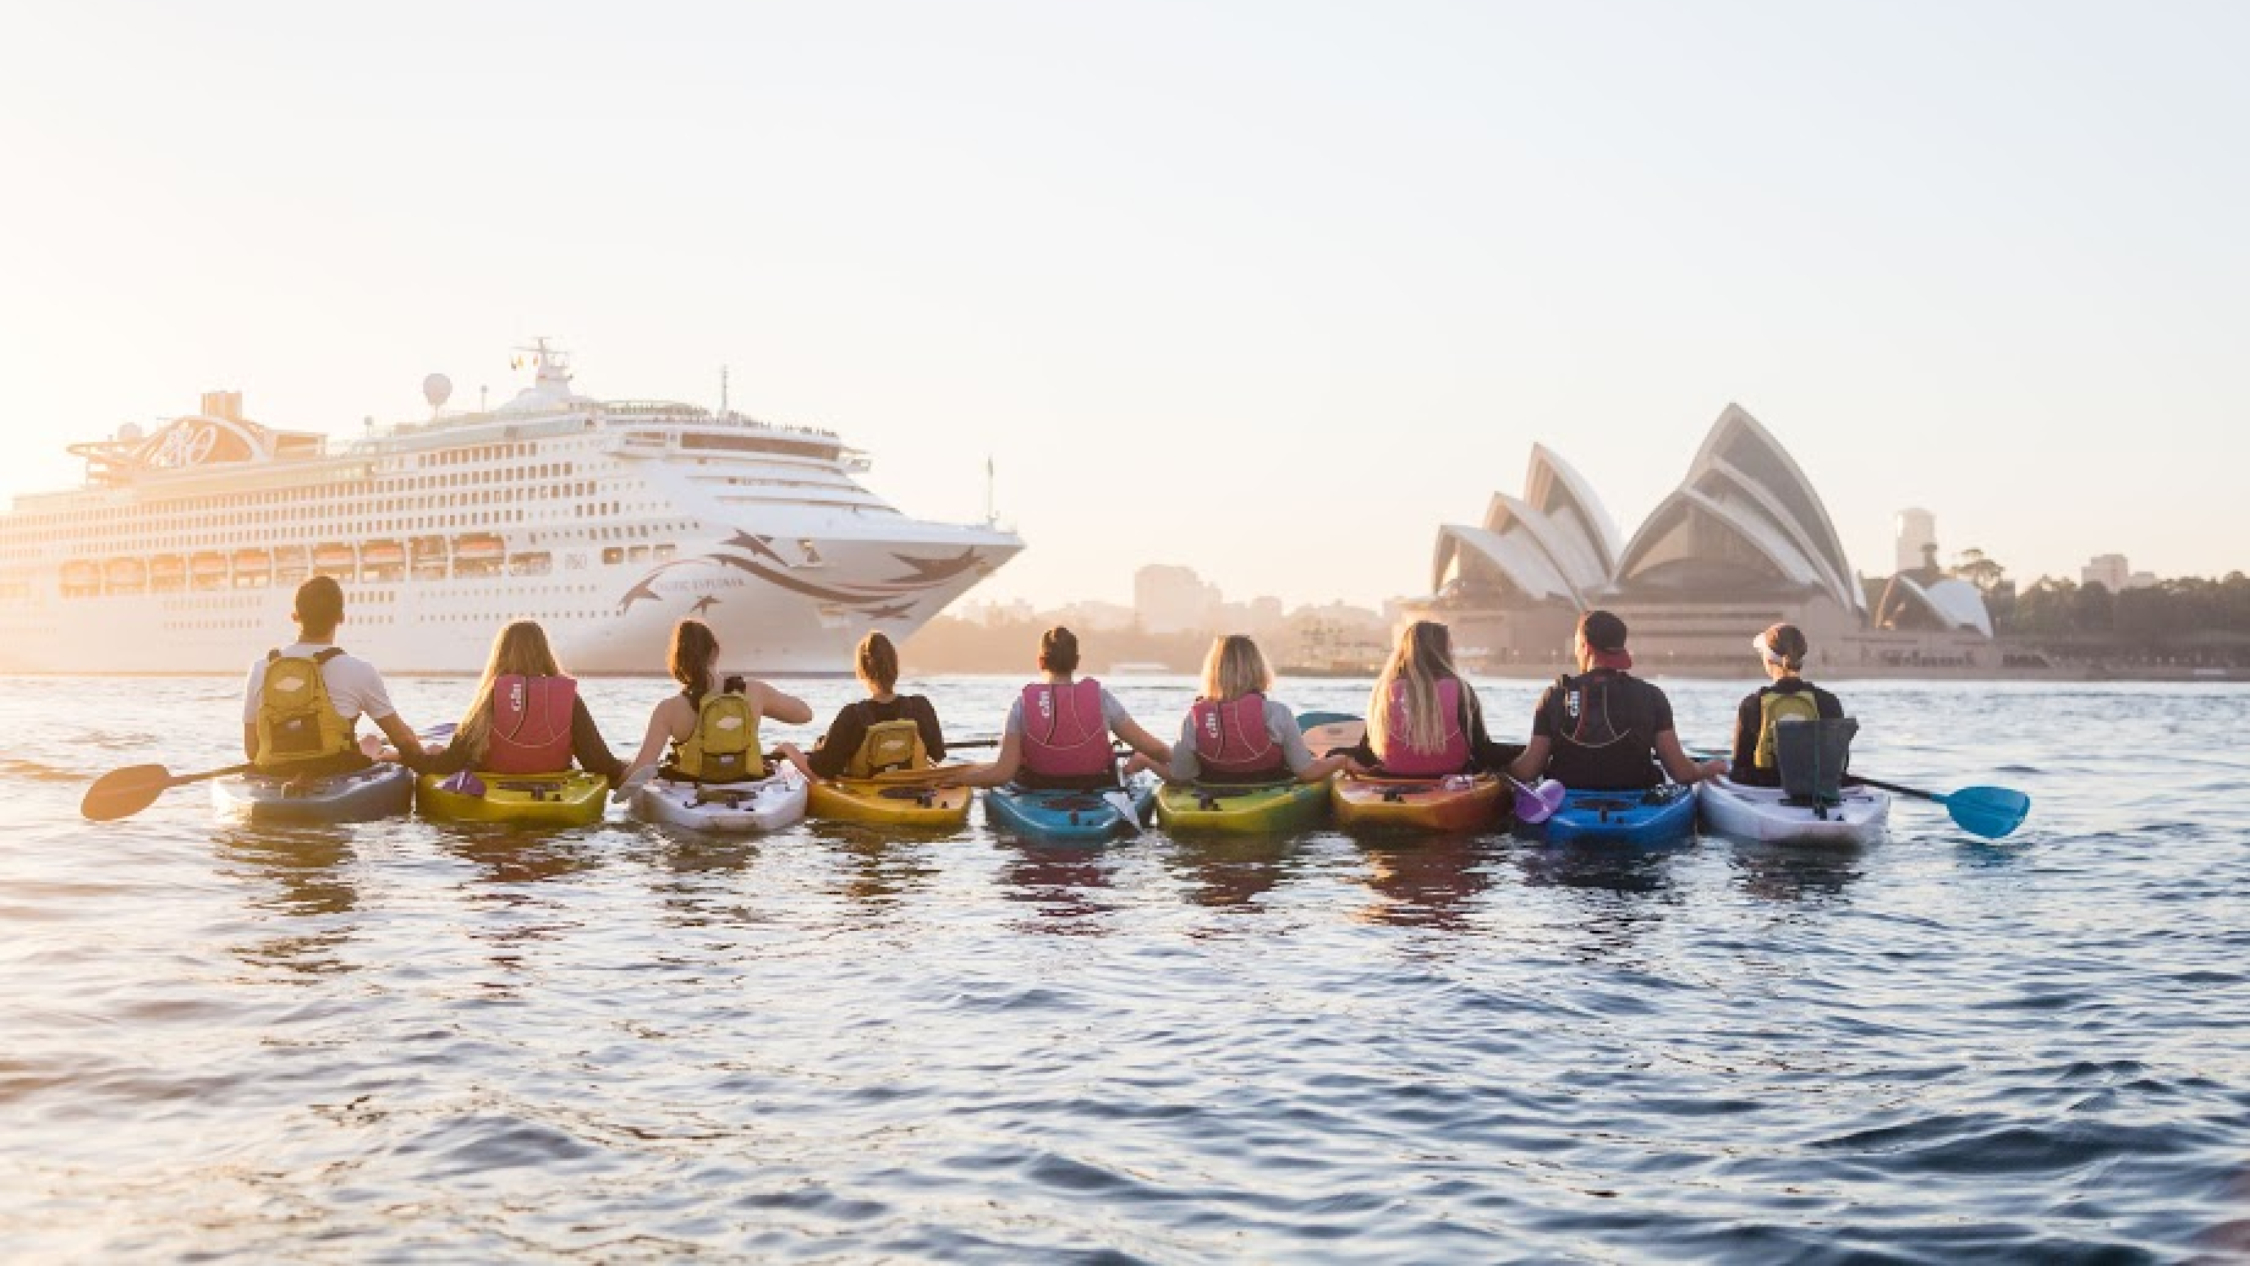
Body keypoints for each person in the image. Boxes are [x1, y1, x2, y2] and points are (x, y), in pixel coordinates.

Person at [1509, 610, 1725, 790]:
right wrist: (1707, 769)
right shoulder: (1651, 696)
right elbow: (1681, 772)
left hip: (1567, 802)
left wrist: (1501, 770)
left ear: (1585, 646)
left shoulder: (1555, 696)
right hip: (1636, 803)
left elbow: (1528, 771)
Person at [242, 576, 426, 776]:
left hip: (274, 772)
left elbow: (252, 750)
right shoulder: (359, 670)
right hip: (336, 772)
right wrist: (420, 758)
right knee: (372, 744)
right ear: (341, 617)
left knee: (370, 743)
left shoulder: (261, 668)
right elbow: (404, 740)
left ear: (295, 616)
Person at [402, 620, 626, 783]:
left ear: (500, 654)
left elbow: (450, 763)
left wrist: (408, 755)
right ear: (545, 652)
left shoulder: (491, 697)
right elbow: (598, 763)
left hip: (495, 782)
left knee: (435, 750)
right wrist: (632, 768)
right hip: (554, 782)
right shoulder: (569, 697)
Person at [951, 626, 1172, 789]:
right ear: (1076, 661)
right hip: (1096, 784)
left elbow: (1002, 774)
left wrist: (958, 779)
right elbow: (1155, 750)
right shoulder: (1102, 698)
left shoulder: (1021, 704)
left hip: (1038, 785)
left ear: (1040, 661)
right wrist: (1183, 761)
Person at [1135, 634, 1366, 784]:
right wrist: (1341, 761)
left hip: (1215, 788)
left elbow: (1181, 775)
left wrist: (1147, 761)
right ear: (1258, 669)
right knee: (1314, 757)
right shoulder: (1277, 713)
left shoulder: (1194, 718)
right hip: (1268, 784)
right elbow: (1306, 772)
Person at [623, 617, 813, 785]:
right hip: (749, 783)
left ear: (678, 660)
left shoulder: (669, 709)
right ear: (715, 651)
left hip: (692, 788)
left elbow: (639, 771)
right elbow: (805, 715)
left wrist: (616, 777)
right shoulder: (755, 691)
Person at [1344, 620, 1515, 776]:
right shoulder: (1461, 690)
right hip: (1450, 776)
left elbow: (1367, 754)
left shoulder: (1384, 690)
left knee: (1337, 754)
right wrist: (1525, 752)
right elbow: (1483, 753)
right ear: (1444, 652)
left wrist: (1337, 758)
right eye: (1450, 648)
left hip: (1394, 776)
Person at [779, 631, 945, 782]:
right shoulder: (921, 706)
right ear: (895, 667)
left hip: (866, 791)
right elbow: (937, 755)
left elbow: (822, 772)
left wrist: (788, 749)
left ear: (862, 671)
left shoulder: (852, 716)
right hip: (915, 788)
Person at [1728, 623, 1847, 788]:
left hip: (1765, 787)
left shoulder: (1752, 704)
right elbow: (1840, 764)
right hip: (1815, 788)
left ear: (1768, 660)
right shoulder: (1828, 701)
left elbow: (1740, 770)